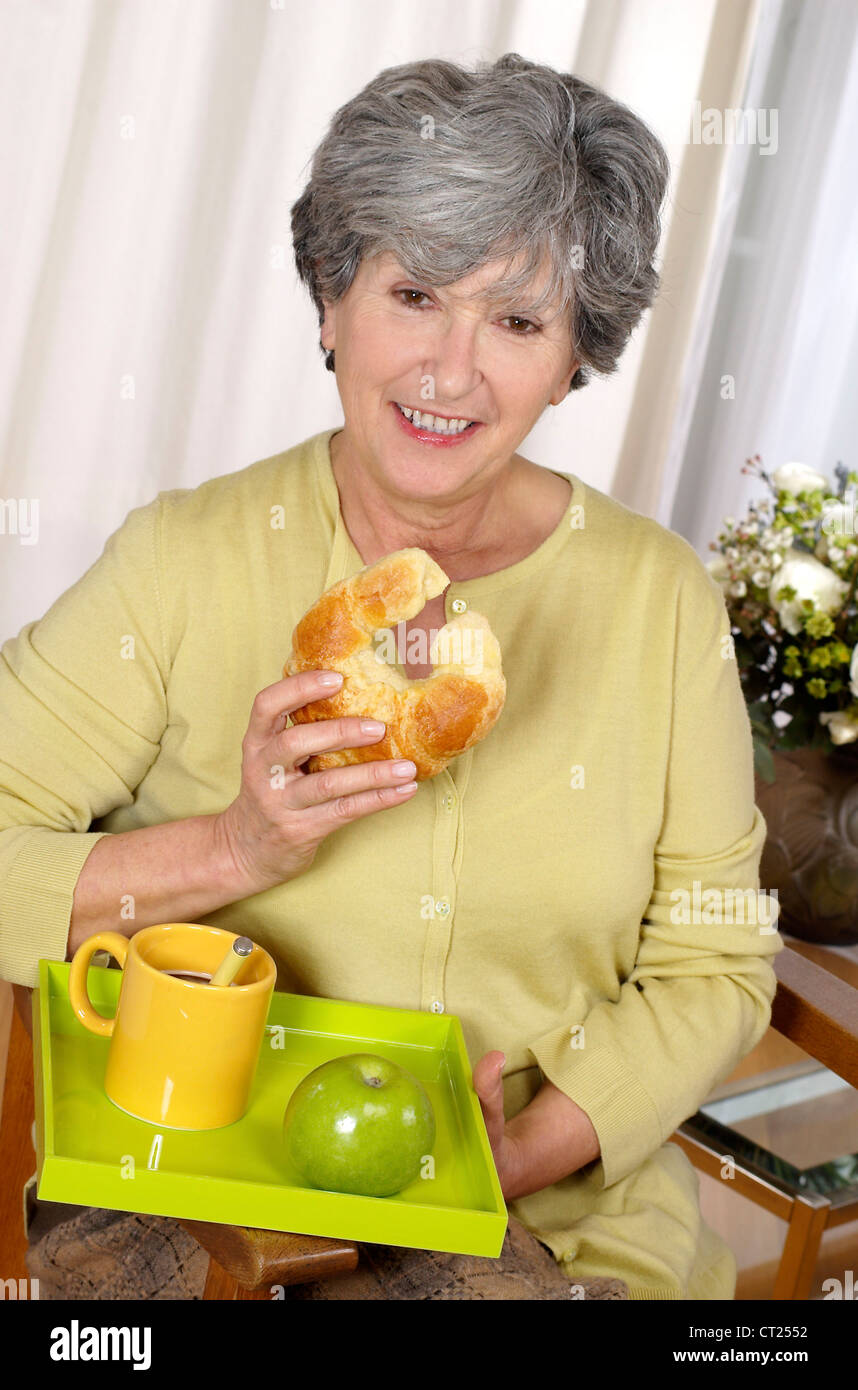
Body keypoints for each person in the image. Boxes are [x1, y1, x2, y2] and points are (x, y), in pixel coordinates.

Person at [1, 52, 782, 1301]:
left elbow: (715, 961)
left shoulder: (659, 601)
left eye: (519, 321)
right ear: (329, 299)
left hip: (549, 1218)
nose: (451, 371)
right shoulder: (183, 560)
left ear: (575, 356)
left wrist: (508, 1152)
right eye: (415, 293)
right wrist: (236, 849)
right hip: (197, 1186)